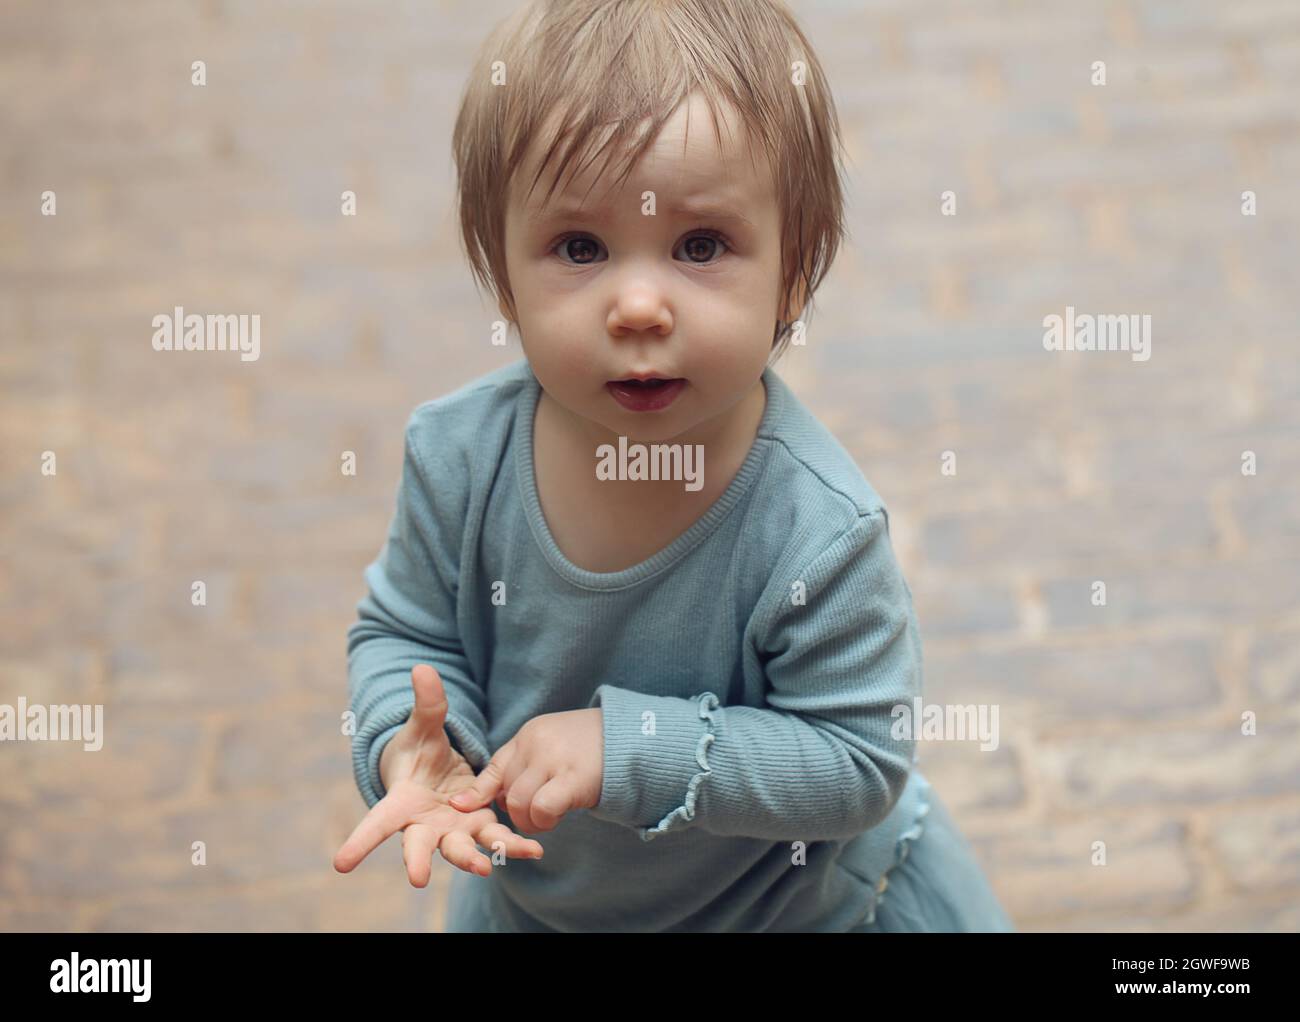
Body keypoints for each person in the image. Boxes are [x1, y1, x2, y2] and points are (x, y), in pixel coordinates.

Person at [333, 0, 1013, 933]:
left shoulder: (814, 529)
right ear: (502, 267)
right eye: (580, 248)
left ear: (795, 268)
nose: (640, 304)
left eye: (701, 246)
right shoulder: (459, 460)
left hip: (803, 914)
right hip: (542, 908)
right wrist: (413, 745)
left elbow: (859, 755)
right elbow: (405, 634)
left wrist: (631, 748)